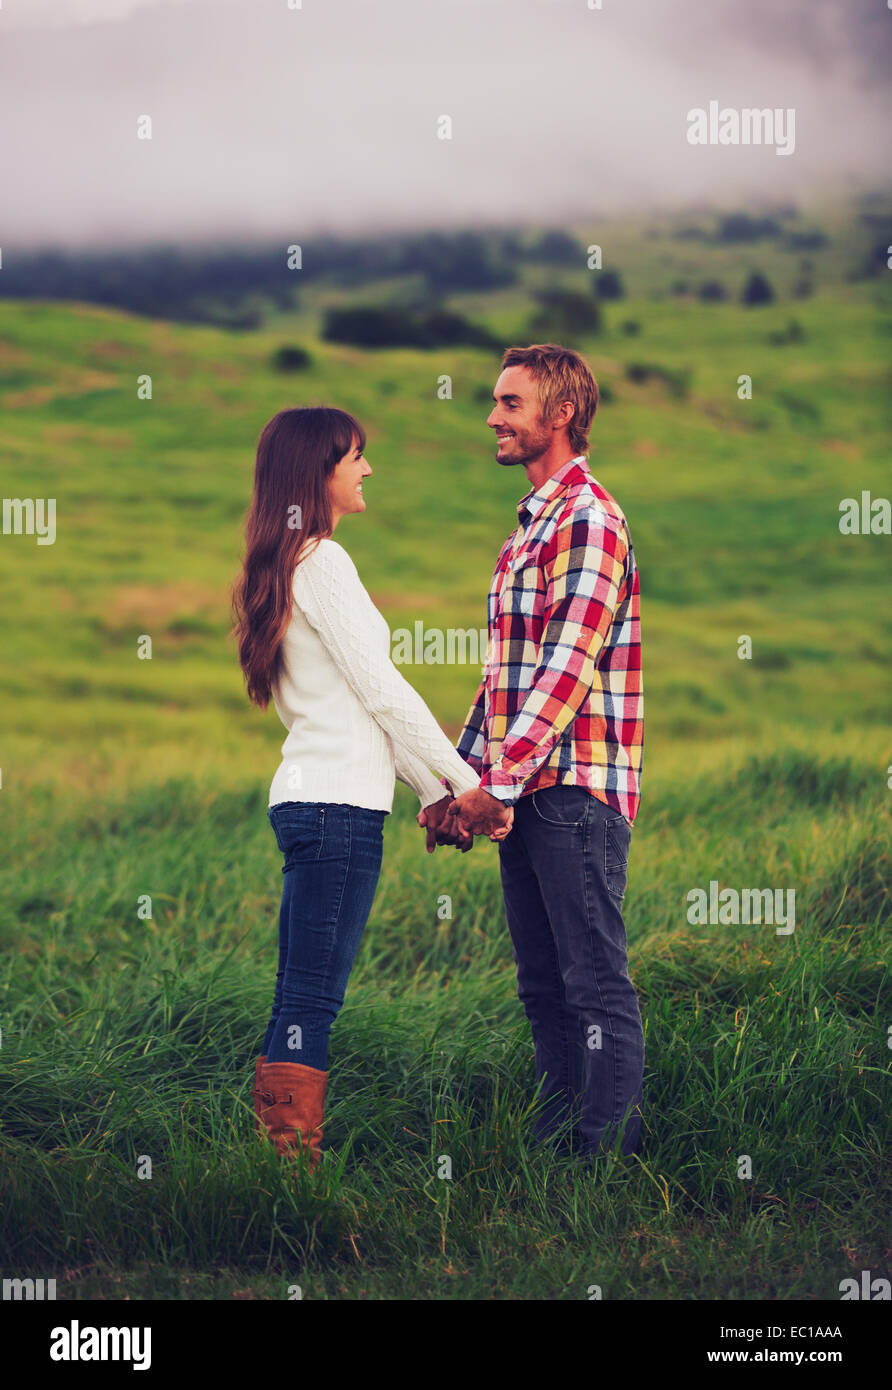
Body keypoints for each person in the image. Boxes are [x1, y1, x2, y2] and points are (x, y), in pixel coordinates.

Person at [231, 406, 512, 1171]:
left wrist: (430, 792)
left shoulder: (282, 563)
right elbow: (384, 692)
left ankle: (279, 1165)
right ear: (314, 473)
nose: (367, 469)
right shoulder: (321, 562)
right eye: (355, 456)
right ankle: (288, 1172)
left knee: (302, 989)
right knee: (312, 998)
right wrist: (470, 787)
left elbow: (360, 709)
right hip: (336, 810)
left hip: (308, 799)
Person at [419, 344, 645, 1159]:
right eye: (495, 400)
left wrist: (497, 787)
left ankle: (604, 1162)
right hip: (525, 793)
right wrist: (458, 783)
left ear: (560, 415)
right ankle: (553, 1148)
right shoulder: (529, 531)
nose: (492, 417)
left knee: (594, 986)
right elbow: (503, 682)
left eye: (510, 404)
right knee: (544, 988)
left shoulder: (588, 517)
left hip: (575, 792)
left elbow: (566, 669)